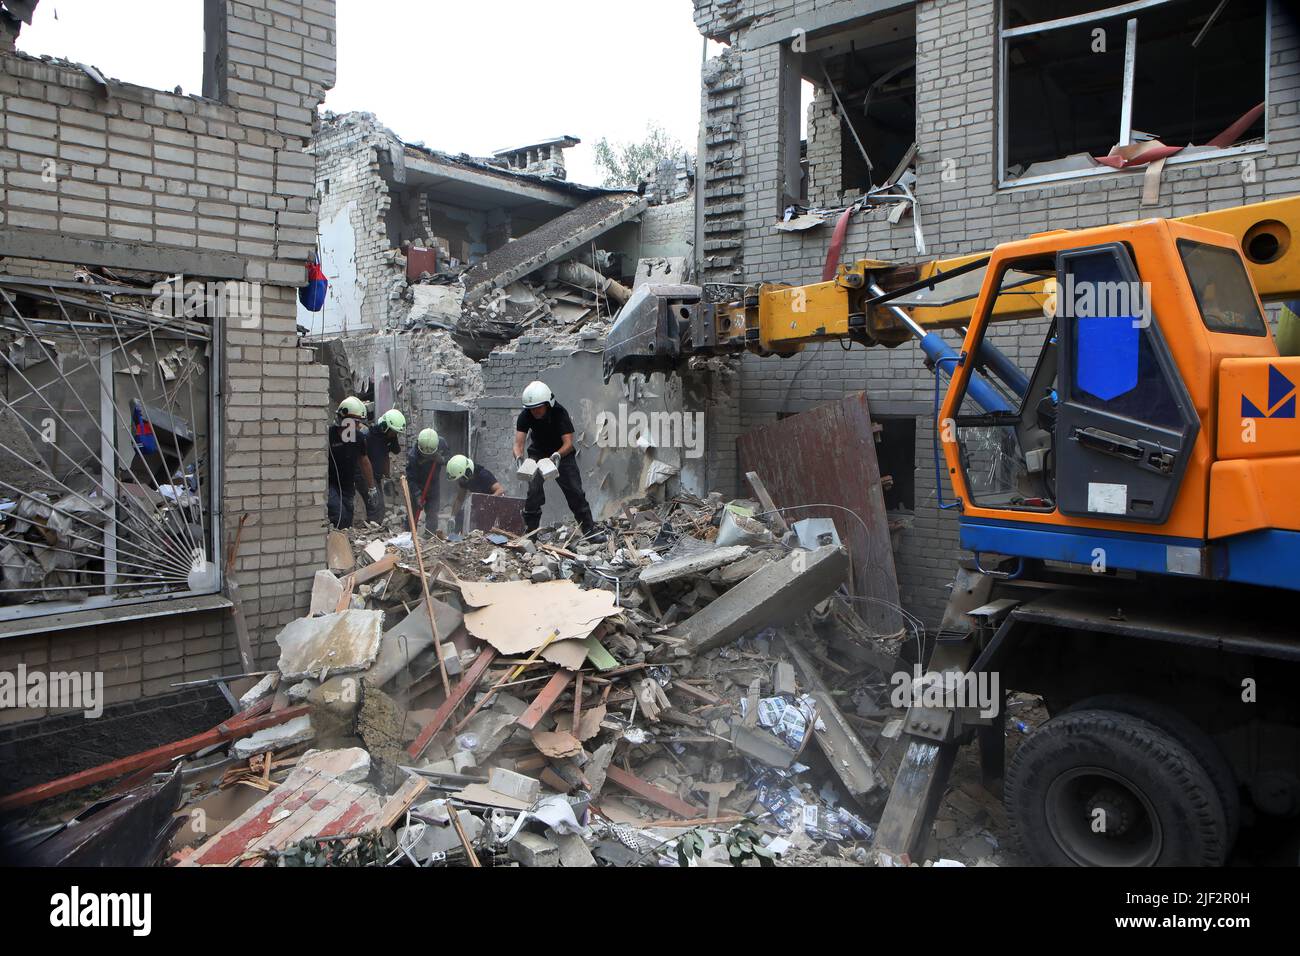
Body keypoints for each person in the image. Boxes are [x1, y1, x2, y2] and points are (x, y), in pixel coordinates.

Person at [512, 380, 600, 537]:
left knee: (575, 491)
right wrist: (519, 458)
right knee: (534, 491)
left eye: (539, 407)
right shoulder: (525, 415)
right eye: (532, 409)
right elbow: (518, 444)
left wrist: (557, 455)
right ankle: (531, 533)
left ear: (548, 403)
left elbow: (568, 443)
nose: (535, 412)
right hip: (538, 454)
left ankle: (589, 530)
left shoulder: (559, 413)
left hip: (562, 454)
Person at [327, 396, 376, 529]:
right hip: (329, 484)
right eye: (356, 422)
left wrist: (372, 488)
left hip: (347, 487)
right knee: (338, 516)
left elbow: (364, 462)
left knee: (347, 520)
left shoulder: (358, 438)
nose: (359, 425)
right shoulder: (328, 436)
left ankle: (343, 546)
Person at [354, 407, 404, 522]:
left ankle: (375, 528)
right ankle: (372, 532)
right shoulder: (369, 436)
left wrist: (386, 477)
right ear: (385, 427)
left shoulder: (387, 437)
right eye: (394, 432)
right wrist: (371, 486)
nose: (394, 435)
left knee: (380, 506)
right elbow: (363, 461)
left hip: (376, 476)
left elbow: (387, 456)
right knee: (376, 506)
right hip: (364, 475)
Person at [405, 426, 450, 534]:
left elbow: (450, 459)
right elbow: (411, 479)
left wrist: (442, 460)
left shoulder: (441, 443)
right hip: (418, 484)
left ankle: (429, 535)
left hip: (433, 484)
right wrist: (417, 495)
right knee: (413, 511)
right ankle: (408, 533)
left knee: (432, 511)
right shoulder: (413, 456)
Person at [446, 454, 504, 528]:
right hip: (479, 508)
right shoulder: (465, 479)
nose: (460, 481)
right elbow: (459, 499)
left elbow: (500, 490)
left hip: (492, 508)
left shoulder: (484, 475)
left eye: (461, 478)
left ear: (468, 472)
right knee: (460, 516)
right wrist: (452, 517)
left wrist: (486, 503)